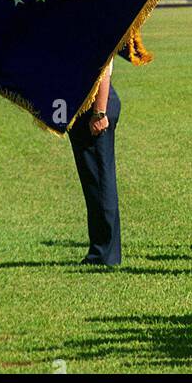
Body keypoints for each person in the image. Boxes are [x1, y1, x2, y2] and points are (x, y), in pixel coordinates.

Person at [68, 58, 121, 267]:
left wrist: (99, 112)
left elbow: (103, 64)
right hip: (88, 102)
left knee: (99, 179)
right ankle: (102, 251)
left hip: (97, 105)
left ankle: (103, 254)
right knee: (94, 180)